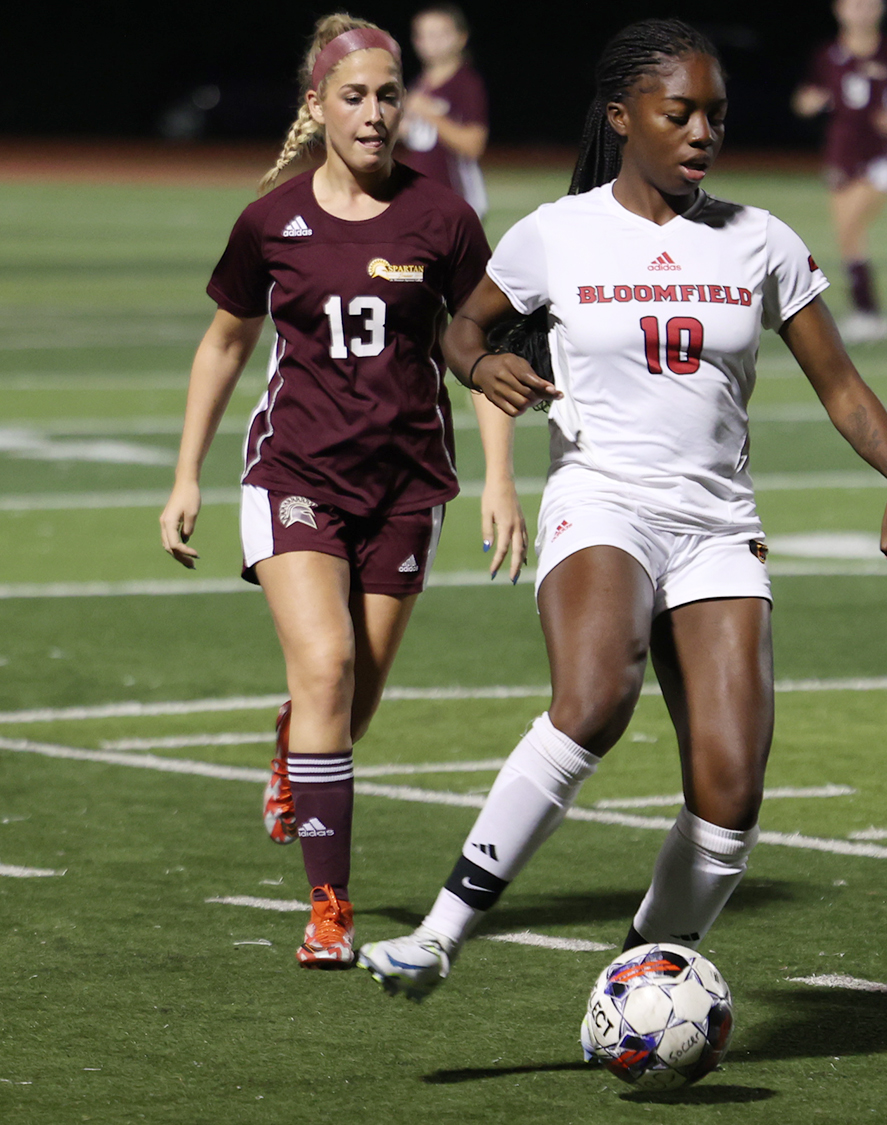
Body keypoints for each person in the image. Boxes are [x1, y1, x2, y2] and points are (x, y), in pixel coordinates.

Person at [359, 18, 887, 1000]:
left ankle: (640, 977)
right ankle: (440, 932)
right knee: (592, 700)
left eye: (715, 114)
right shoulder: (558, 231)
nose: (703, 132)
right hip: (602, 501)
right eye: (680, 114)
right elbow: (459, 328)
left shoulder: (760, 240)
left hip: (715, 526)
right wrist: (484, 363)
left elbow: (838, 383)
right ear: (624, 117)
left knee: (729, 793)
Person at [158, 12, 525, 970]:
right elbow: (225, 344)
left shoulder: (441, 215)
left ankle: (294, 748)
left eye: (387, 96)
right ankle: (330, 907)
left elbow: (478, 349)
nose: (373, 114)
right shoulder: (269, 220)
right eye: (353, 97)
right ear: (316, 104)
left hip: (407, 483)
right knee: (323, 667)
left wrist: (498, 477)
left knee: (350, 699)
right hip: (296, 473)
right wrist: (186, 473)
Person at [792, 0, 887, 343]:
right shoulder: (827, 54)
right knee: (847, 238)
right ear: (839, 10)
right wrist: (809, 102)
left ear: (880, 10)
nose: (861, 11)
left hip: (881, 154)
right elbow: (807, 97)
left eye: (868, 5)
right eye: (855, 5)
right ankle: (867, 313)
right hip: (842, 152)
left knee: (852, 226)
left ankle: (868, 313)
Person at [395, 2, 489, 217]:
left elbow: (473, 145)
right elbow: (418, 140)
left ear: (461, 37)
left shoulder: (466, 84)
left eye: (441, 34)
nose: (432, 42)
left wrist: (430, 115)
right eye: (425, 35)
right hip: (421, 198)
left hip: (457, 199)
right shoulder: (419, 84)